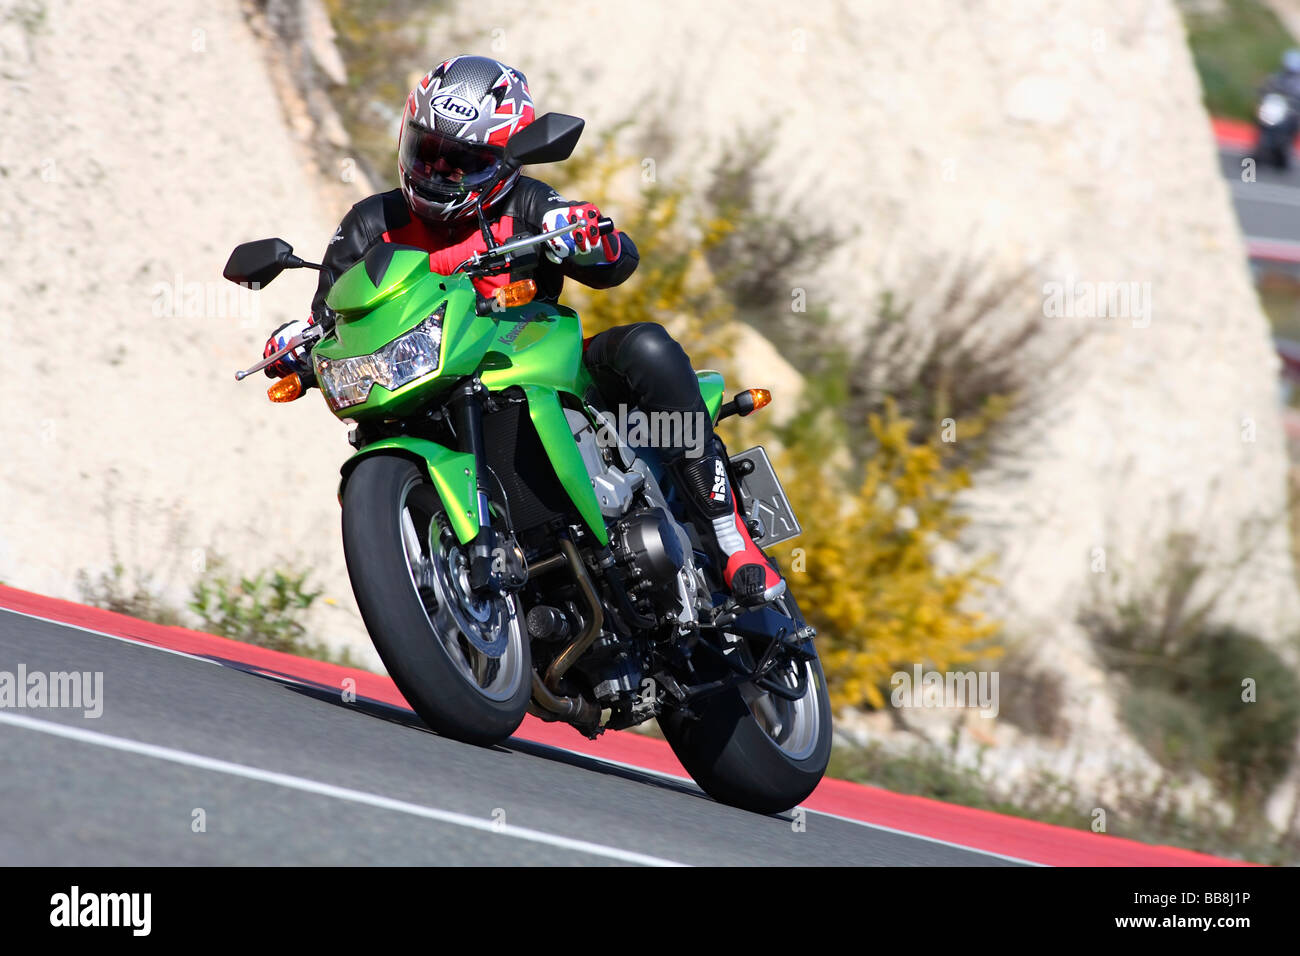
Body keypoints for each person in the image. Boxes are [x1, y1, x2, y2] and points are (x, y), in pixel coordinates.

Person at [262, 55, 783, 606]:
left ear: (505, 162)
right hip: (421, 378)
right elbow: (332, 316)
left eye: (462, 162)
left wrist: (586, 234)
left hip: (531, 357)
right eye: (427, 152)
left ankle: (729, 537)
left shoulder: (529, 202)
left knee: (647, 347)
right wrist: (297, 341)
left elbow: (615, 262)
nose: (438, 173)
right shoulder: (371, 223)